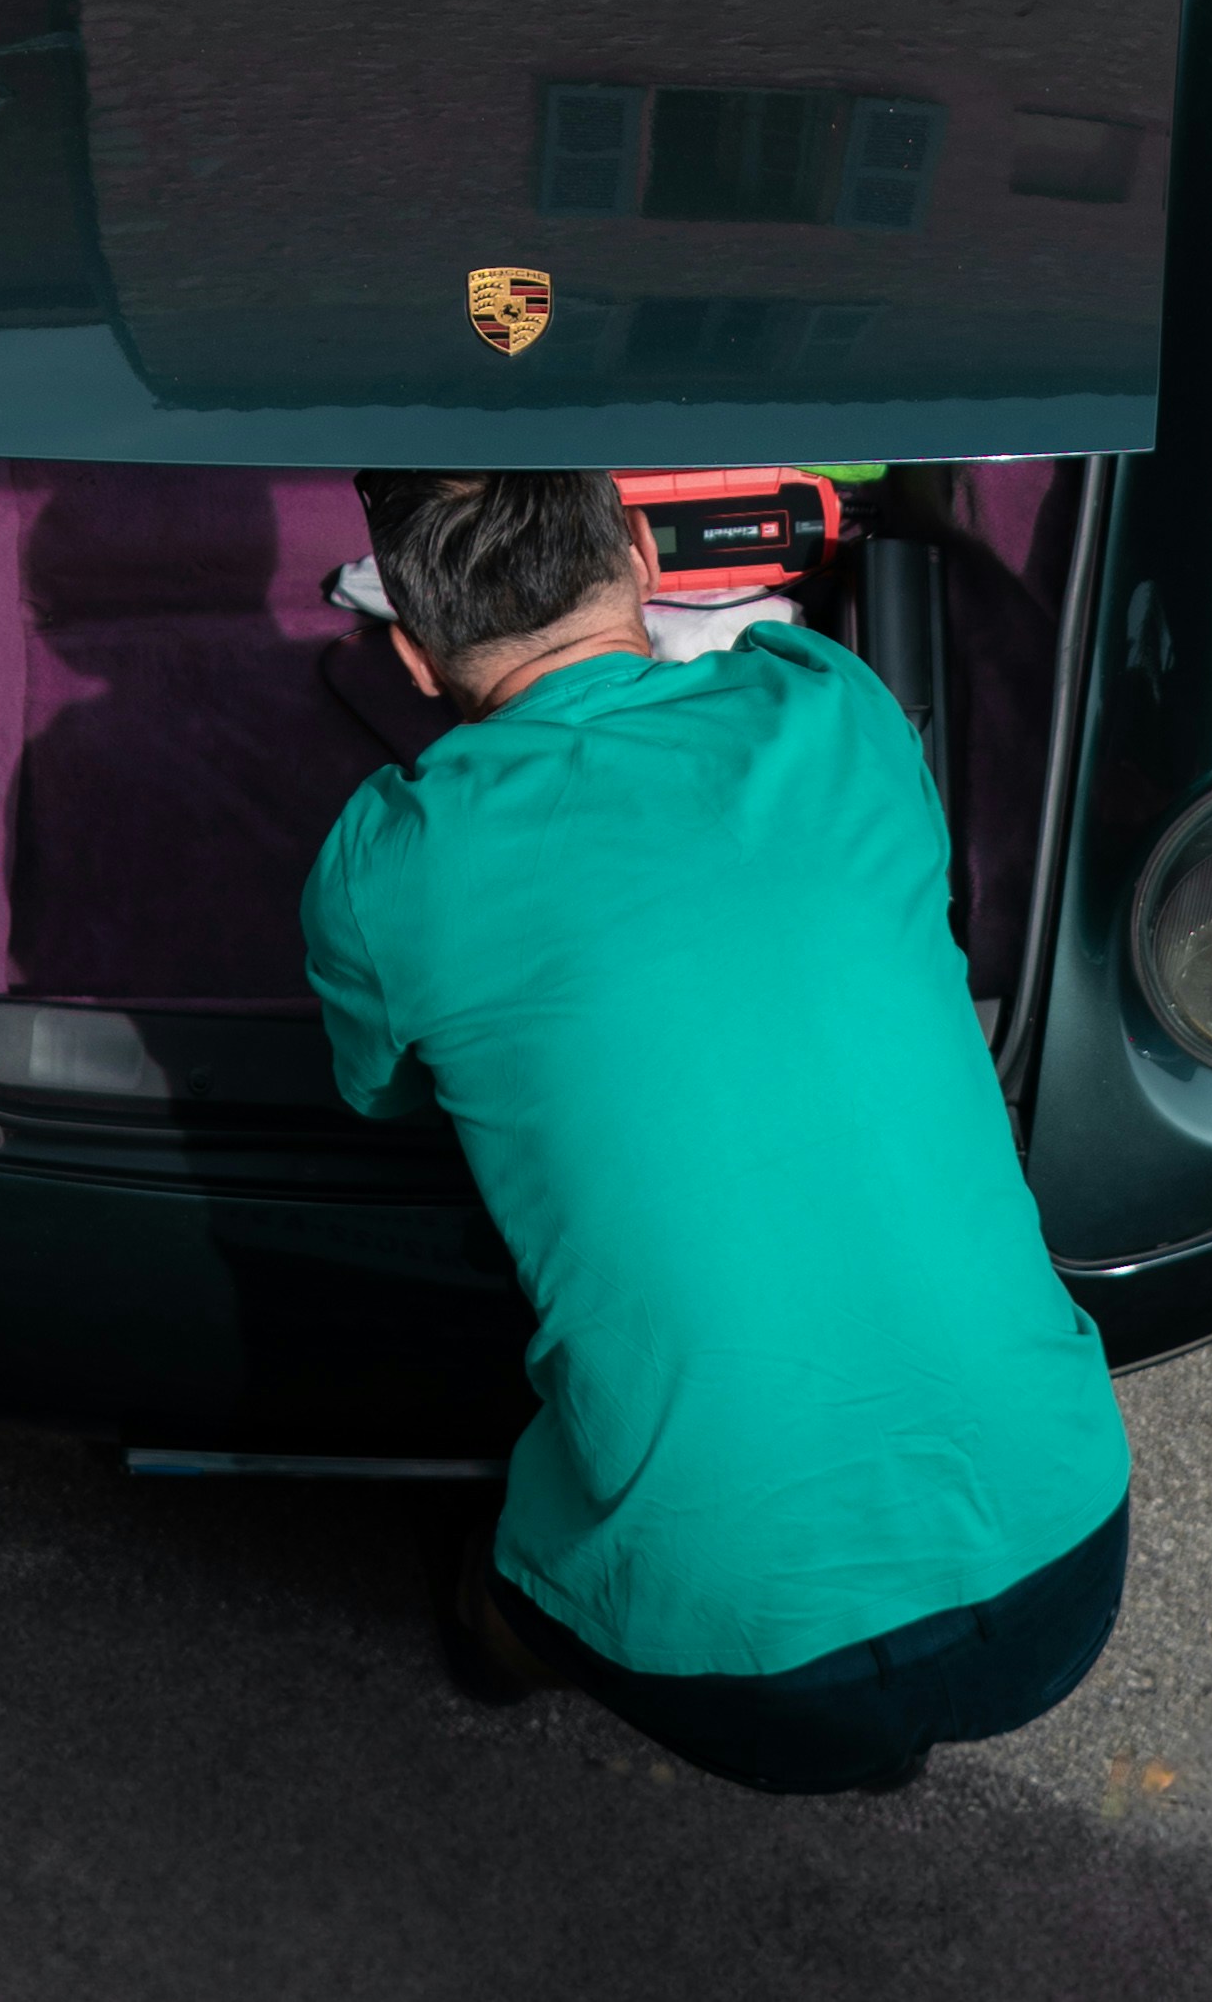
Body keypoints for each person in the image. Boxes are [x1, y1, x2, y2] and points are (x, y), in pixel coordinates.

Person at [299, 463, 1132, 1797]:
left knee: (510, 1596)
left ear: (406, 650)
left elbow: (386, 1095)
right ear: (641, 550)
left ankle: (495, 1640)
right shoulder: (837, 707)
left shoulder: (382, 867)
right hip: (1068, 1557)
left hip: (737, 1663)